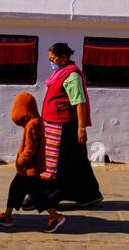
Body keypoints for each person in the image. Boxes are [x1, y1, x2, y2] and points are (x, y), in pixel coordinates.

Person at [0, 92, 65, 232]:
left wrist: (20, 161)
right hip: (28, 169)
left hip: (29, 169)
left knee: (38, 196)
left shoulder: (32, 125)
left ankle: (55, 217)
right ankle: (7, 216)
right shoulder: (37, 121)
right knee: (15, 189)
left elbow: (30, 149)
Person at [40, 42, 103, 207]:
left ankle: (56, 193)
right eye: (50, 59)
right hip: (55, 126)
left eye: (53, 59)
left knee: (63, 162)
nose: (51, 62)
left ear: (63, 58)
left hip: (66, 127)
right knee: (74, 161)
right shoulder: (60, 73)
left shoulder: (72, 75)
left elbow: (79, 102)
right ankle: (88, 195)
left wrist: (81, 128)